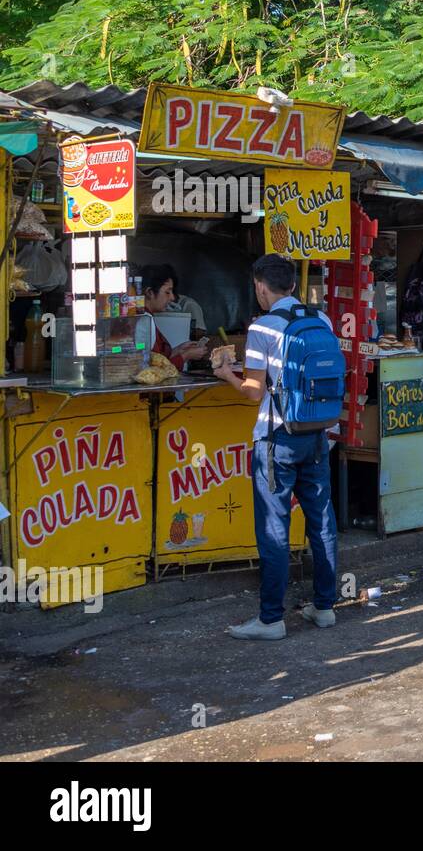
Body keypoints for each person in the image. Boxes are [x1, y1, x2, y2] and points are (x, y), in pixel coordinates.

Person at [215, 254, 338, 640]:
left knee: (274, 528)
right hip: (316, 434)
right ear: (292, 286)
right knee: (322, 523)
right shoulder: (322, 321)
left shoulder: (262, 328)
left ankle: (271, 619)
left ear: (261, 286)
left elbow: (253, 392)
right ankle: (324, 607)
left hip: (277, 439)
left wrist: (225, 375)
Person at [140, 263, 209, 371]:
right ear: (150, 292)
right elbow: (151, 370)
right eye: (167, 292)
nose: (172, 297)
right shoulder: (143, 321)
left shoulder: (149, 318)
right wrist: (186, 356)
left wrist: (178, 350)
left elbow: (157, 358)